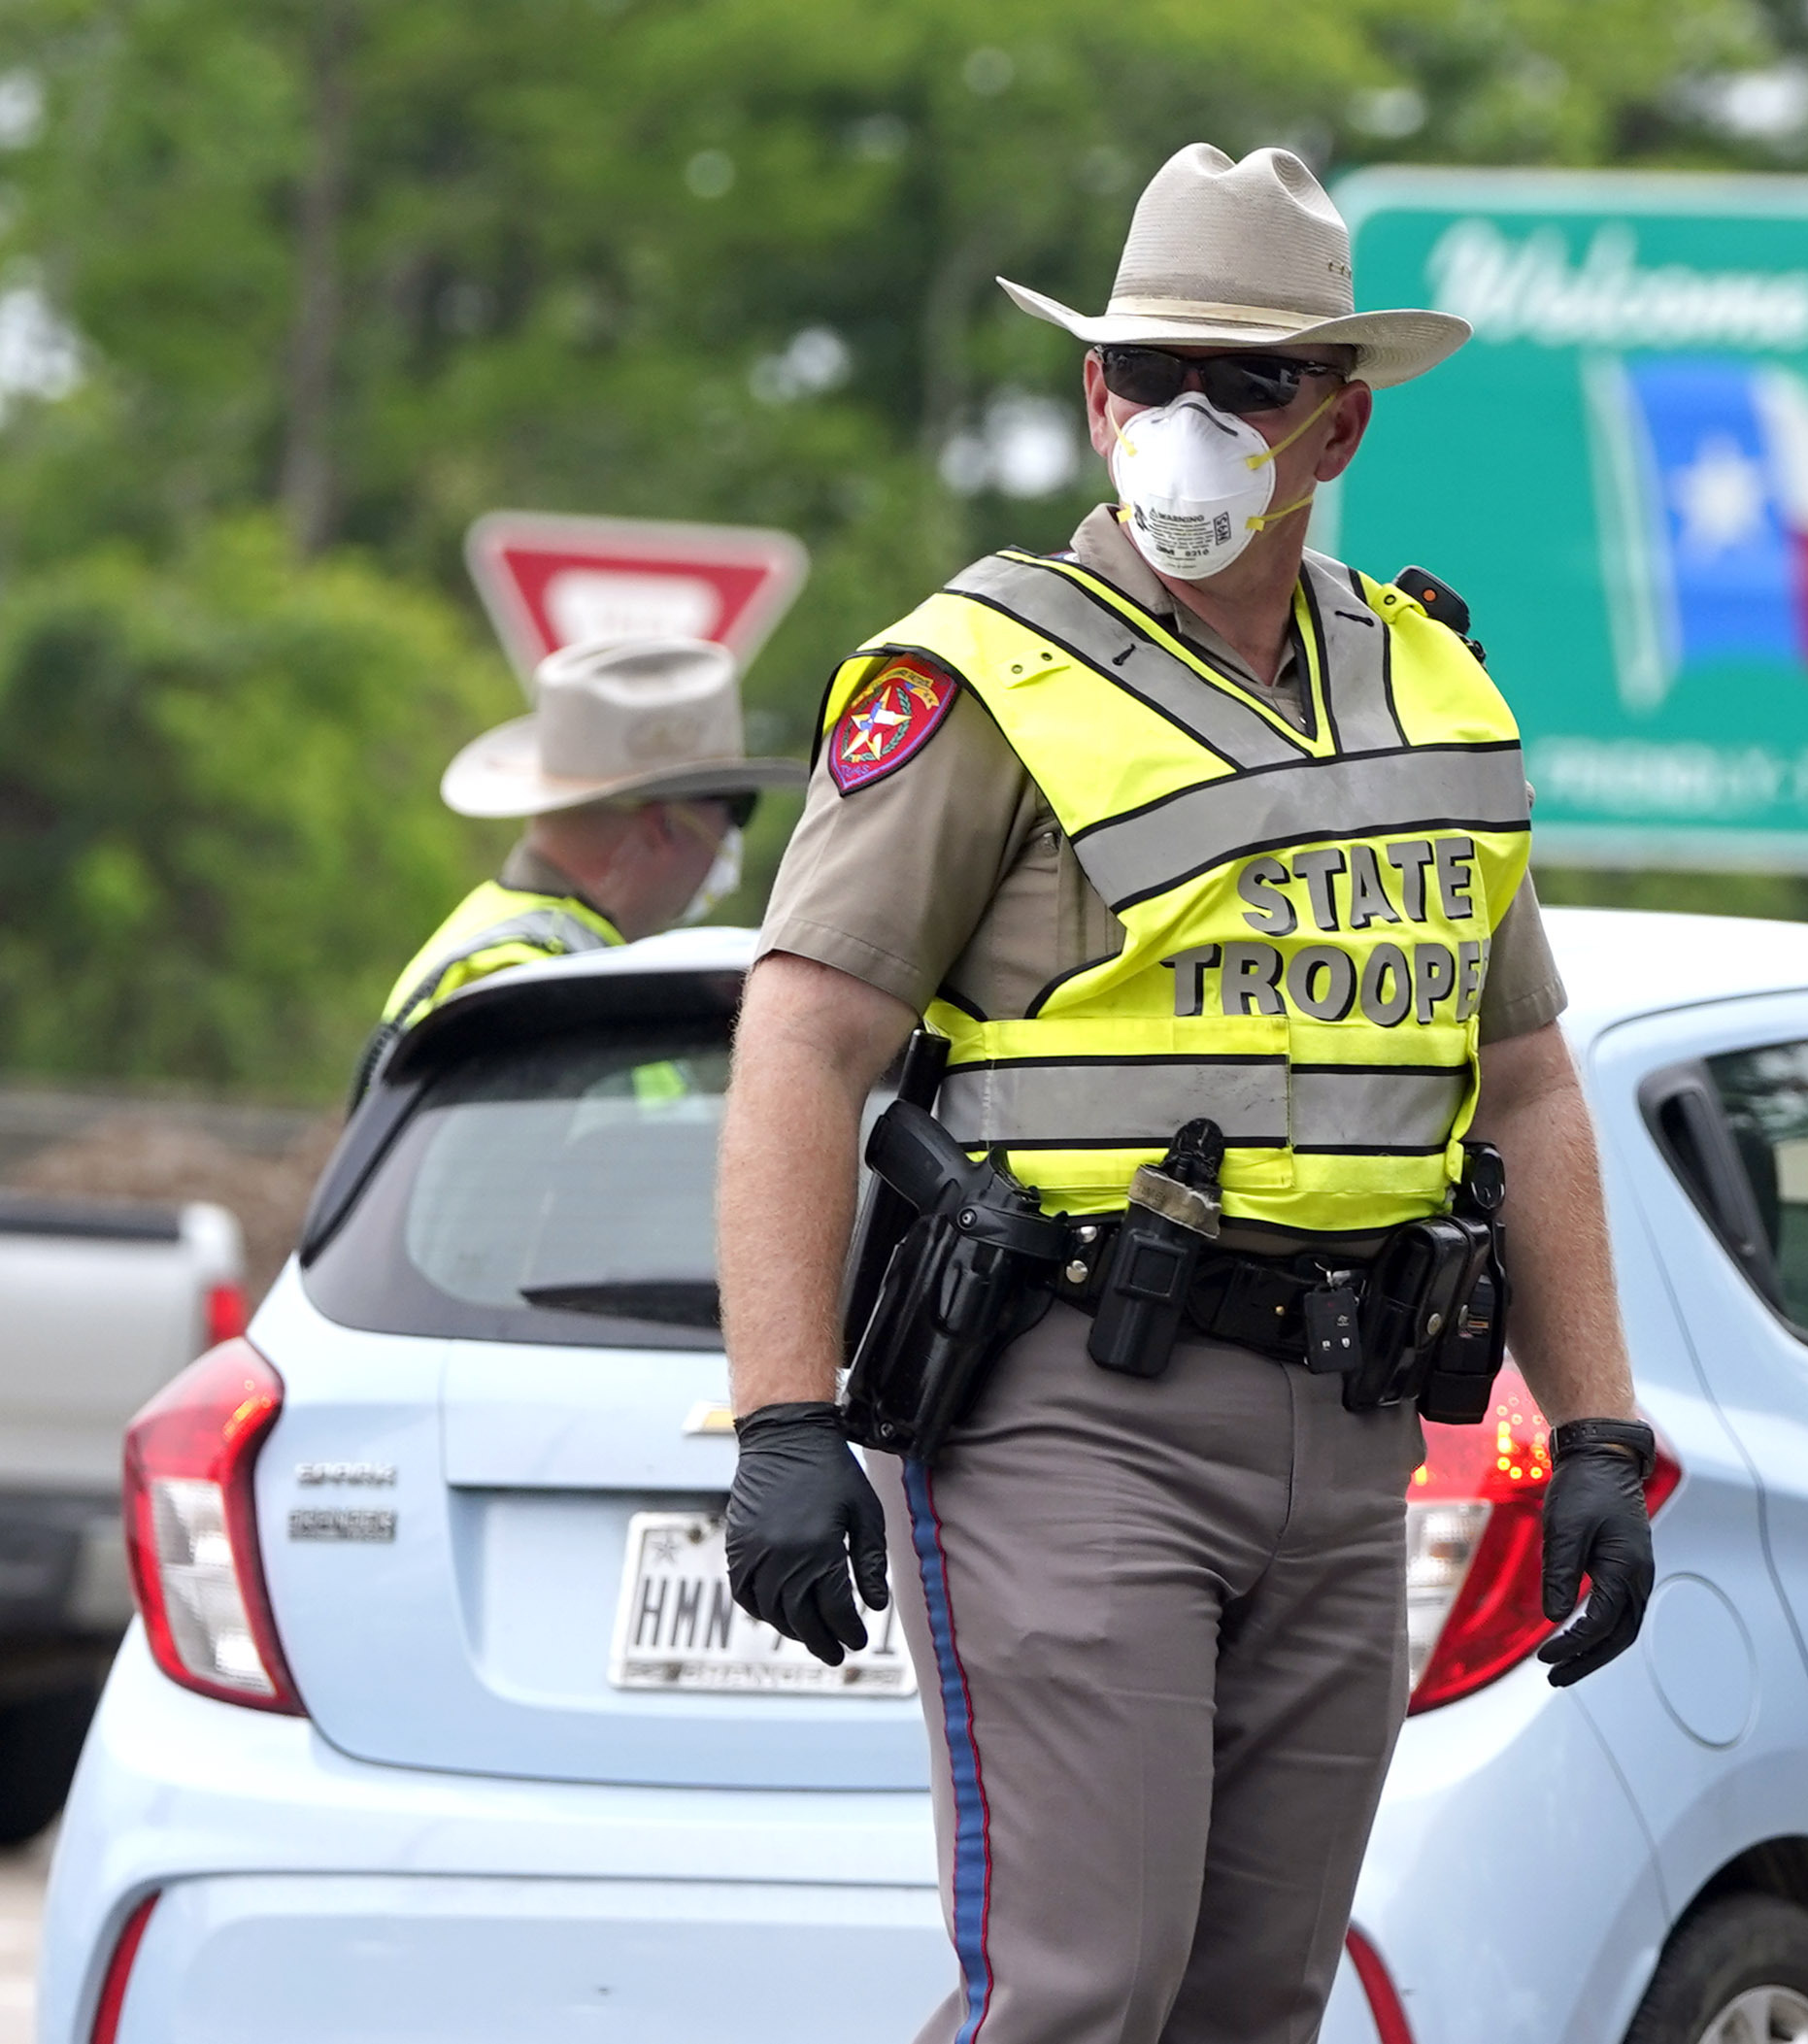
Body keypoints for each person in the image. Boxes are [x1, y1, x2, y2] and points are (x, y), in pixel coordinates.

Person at [715, 144, 1657, 2044]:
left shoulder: (1430, 686)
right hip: (1076, 1416)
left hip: (1349, 1422)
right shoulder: (978, 679)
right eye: (1150, 374)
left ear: (1338, 423)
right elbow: (799, 1046)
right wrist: (781, 1415)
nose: (1186, 421)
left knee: (1248, 2002)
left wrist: (1604, 1433)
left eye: (1242, 383)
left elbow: (1531, 1079)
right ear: (1093, 393)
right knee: (1087, 1987)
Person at [354, 636, 800, 1098]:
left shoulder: (558, 958)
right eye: (736, 807)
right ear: (663, 825)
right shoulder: (531, 992)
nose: (731, 839)